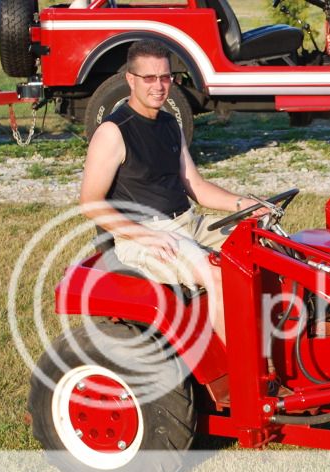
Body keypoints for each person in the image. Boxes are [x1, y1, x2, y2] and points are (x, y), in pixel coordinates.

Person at [80, 39, 262, 345]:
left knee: (263, 246)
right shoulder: (113, 131)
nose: (159, 86)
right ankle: (246, 377)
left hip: (188, 223)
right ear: (131, 80)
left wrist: (248, 204)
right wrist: (144, 235)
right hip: (144, 236)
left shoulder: (169, 123)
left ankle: (272, 336)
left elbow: (197, 187)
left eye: (165, 77)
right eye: (149, 78)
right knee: (216, 275)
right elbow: (90, 204)